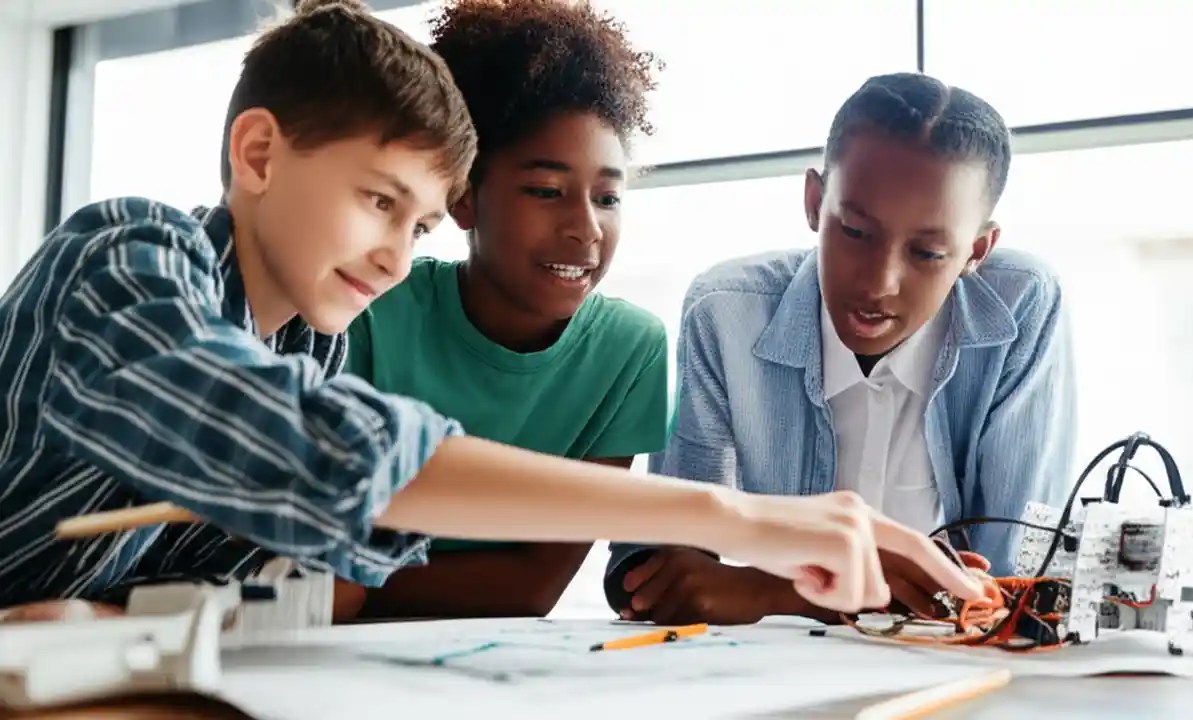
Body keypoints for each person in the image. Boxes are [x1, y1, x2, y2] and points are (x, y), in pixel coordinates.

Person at [0, 2, 983, 623]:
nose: (394, 258)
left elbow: (241, 579)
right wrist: (745, 518)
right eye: (379, 202)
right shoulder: (124, 260)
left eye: (418, 222)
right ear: (257, 155)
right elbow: (333, 456)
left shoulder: (304, 338)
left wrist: (101, 624)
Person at [607, 72, 1076, 626]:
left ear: (976, 250)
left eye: (926, 253)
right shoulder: (725, 312)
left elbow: (1012, 586)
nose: (880, 283)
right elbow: (661, 570)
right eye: (855, 232)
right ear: (814, 201)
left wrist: (766, 592)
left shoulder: (1021, 307)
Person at [343, 0, 666, 621]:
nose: (586, 229)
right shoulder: (369, 311)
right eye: (546, 192)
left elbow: (532, 589)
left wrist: (355, 586)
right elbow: (304, 559)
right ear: (464, 199)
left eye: (607, 197)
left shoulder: (632, 352)